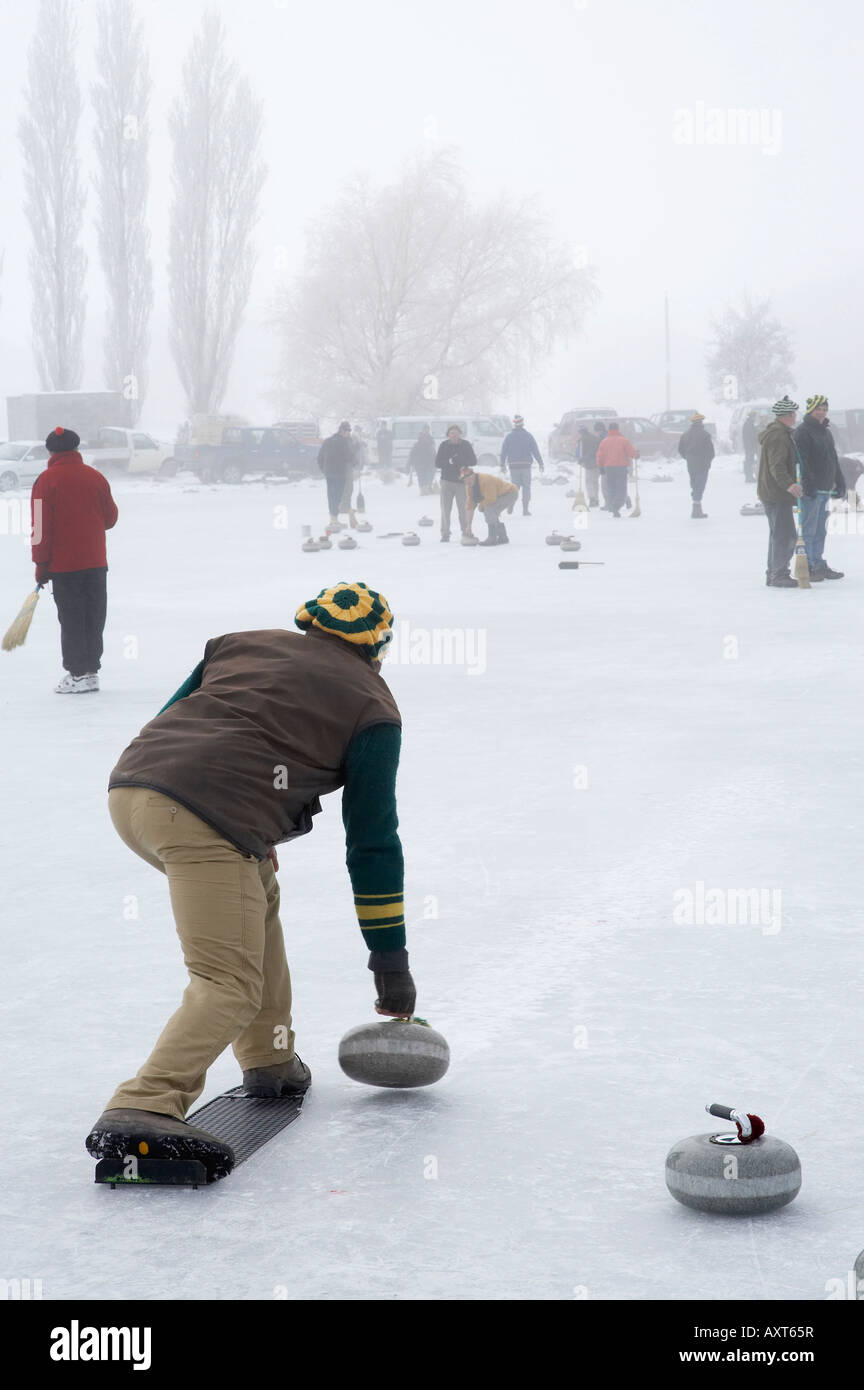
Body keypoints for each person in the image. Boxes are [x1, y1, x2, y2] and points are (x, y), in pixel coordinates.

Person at [85, 582, 414, 1179]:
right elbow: (371, 843)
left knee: (258, 895)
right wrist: (389, 959)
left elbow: (178, 721)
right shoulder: (373, 705)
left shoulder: (239, 645)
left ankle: (270, 1057)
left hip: (132, 789)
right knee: (227, 980)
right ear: (378, 647)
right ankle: (146, 1102)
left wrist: (254, 818)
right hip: (203, 817)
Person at [30, 425, 119, 694]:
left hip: (64, 567)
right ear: (76, 448)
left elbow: (39, 529)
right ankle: (91, 672)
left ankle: (77, 674)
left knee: (71, 619)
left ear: (50, 452)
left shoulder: (45, 481)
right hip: (96, 564)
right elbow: (111, 518)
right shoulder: (96, 477)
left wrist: (40, 565)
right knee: (94, 616)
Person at [793, 395, 846, 580]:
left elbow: (832, 458)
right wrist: (808, 484)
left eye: (824, 409)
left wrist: (839, 480)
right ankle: (807, 564)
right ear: (810, 410)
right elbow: (803, 460)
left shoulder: (826, 431)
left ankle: (818, 562)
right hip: (811, 489)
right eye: (818, 409)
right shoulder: (802, 432)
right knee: (808, 528)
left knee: (820, 529)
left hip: (825, 488)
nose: (822, 412)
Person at [757, 396, 804, 588]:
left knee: (778, 533)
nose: (795, 417)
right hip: (776, 493)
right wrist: (789, 485)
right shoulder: (778, 435)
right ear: (788, 415)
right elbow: (777, 465)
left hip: (772, 492)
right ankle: (779, 574)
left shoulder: (779, 433)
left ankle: (774, 572)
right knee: (785, 534)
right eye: (794, 414)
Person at [435, 424, 476, 541]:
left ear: (460, 434)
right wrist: (449, 461)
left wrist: (462, 460)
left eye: (456, 433)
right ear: (448, 435)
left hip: (462, 482)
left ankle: (466, 531)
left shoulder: (466, 445)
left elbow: (474, 461)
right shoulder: (443, 446)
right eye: (452, 433)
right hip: (446, 482)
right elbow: (437, 463)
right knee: (445, 509)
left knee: (463, 509)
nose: (454, 436)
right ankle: (445, 534)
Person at [461, 464, 517, 545]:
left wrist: (481, 506)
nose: (465, 482)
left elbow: (490, 499)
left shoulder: (485, 479)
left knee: (489, 509)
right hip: (498, 495)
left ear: (472, 476)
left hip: (510, 493)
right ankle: (503, 537)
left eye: (467, 479)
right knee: (489, 510)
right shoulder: (469, 487)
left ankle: (492, 538)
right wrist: (468, 525)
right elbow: (470, 506)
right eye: (464, 480)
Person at [499, 414, 544, 515]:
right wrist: (540, 463)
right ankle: (525, 509)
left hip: (513, 466)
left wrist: (502, 464)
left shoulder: (509, 437)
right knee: (526, 487)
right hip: (526, 466)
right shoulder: (528, 436)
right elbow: (535, 450)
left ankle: (510, 504)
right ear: (523, 424)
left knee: (515, 488)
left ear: (514, 425)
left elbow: (504, 451)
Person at [317, 421, 355, 529]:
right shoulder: (343, 442)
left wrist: (323, 469)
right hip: (339, 473)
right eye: (348, 431)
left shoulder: (327, 441)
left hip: (329, 473)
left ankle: (333, 519)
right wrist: (356, 462)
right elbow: (349, 456)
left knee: (331, 495)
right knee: (337, 496)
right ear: (342, 430)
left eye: (349, 431)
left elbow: (319, 457)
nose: (349, 433)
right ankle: (334, 519)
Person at [677, 412, 715, 518]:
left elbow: (680, 450)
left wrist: (688, 458)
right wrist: (708, 461)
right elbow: (711, 452)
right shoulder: (705, 435)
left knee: (694, 484)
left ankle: (696, 507)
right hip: (702, 464)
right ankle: (696, 508)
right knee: (700, 485)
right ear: (701, 422)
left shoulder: (685, 434)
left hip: (691, 464)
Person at [595, 421, 637, 517]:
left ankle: (612, 505)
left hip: (609, 468)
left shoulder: (604, 442)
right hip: (621, 468)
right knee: (621, 488)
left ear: (609, 430)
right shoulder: (623, 440)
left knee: (611, 488)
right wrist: (636, 454)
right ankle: (616, 505)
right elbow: (631, 452)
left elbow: (599, 456)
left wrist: (600, 467)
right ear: (618, 429)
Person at [408, 425, 436, 494]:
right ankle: (423, 490)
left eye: (427, 430)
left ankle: (426, 488)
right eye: (425, 430)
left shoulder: (431, 440)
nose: (426, 431)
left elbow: (433, 452)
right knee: (421, 476)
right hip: (420, 463)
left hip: (428, 462)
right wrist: (411, 462)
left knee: (427, 476)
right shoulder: (418, 443)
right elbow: (413, 453)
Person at [576, 426, 601, 506]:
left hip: (589, 464)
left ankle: (592, 498)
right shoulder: (595, 438)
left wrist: (581, 459)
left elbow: (581, 453)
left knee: (589, 481)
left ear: (581, 433)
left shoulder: (582, 440)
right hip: (598, 463)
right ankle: (596, 499)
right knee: (595, 482)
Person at [593, 420, 611, 508]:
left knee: (605, 486)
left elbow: (600, 454)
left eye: (596, 431)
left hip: (606, 465)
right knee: (615, 484)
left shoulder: (601, 440)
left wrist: (600, 465)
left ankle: (608, 504)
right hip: (616, 464)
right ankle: (625, 498)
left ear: (599, 430)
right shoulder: (611, 436)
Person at [742, 410, 758, 483]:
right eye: (754, 416)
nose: (755, 418)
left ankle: (749, 476)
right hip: (749, 447)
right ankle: (748, 477)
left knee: (749, 461)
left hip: (749, 446)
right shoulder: (749, 424)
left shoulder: (749, 423)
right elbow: (750, 437)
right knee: (749, 461)